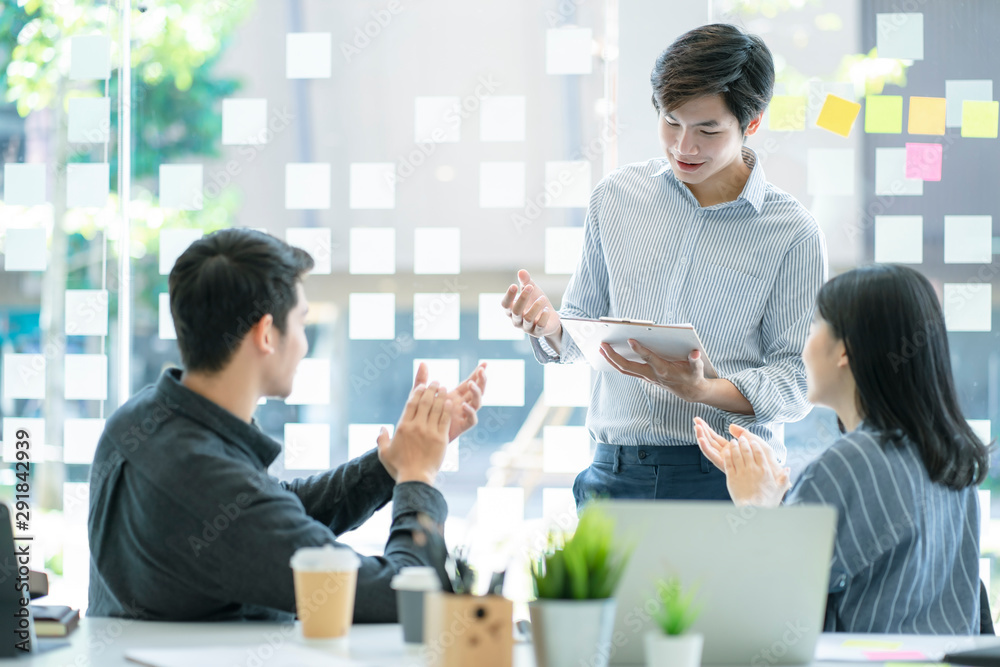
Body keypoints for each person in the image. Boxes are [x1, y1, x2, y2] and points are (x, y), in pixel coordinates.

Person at [87, 228, 487, 622]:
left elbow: (272, 516)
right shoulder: (207, 480)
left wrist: (392, 463)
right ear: (266, 333)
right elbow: (405, 594)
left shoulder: (142, 419)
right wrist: (418, 476)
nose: (304, 343)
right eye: (301, 322)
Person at [502, 24, 827, 505]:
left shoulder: (791, 231)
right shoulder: (616, 198)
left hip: (724, 476)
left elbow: (798, 381)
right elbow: (577, 336)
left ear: (752, 123)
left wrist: (705, 389)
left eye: (708, 130)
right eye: (671, 122)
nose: (684, 147)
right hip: (612, 472)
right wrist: (548, 326)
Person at [695, 264, 991, 634]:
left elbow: (773, 616)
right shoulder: (953, 458)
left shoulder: (847, 467)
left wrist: (755, 505)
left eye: (815, 327)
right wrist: (781, 498)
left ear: (845, 351)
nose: (803, 348)